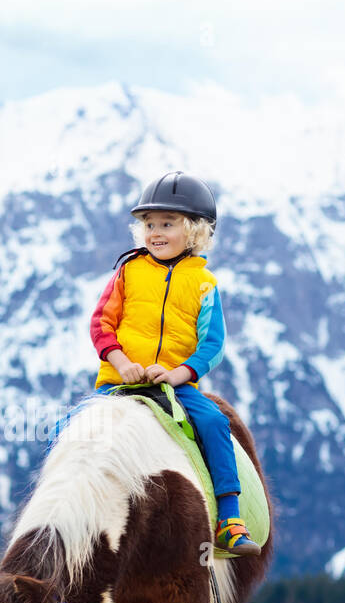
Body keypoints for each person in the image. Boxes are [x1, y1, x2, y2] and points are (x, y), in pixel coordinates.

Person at [87, 171, 260, 557]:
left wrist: (177, 374)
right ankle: (57, 510)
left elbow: (213, 345)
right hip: (119, 382)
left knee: (215, 422)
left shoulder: (204, 284)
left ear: (196, 232)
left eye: (168, 223)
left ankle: (230, 520)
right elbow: (101, 324)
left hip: (176, 385)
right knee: (68, 431)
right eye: (149, 224)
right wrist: (122, 362)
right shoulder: (128, 272)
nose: (155, 232)